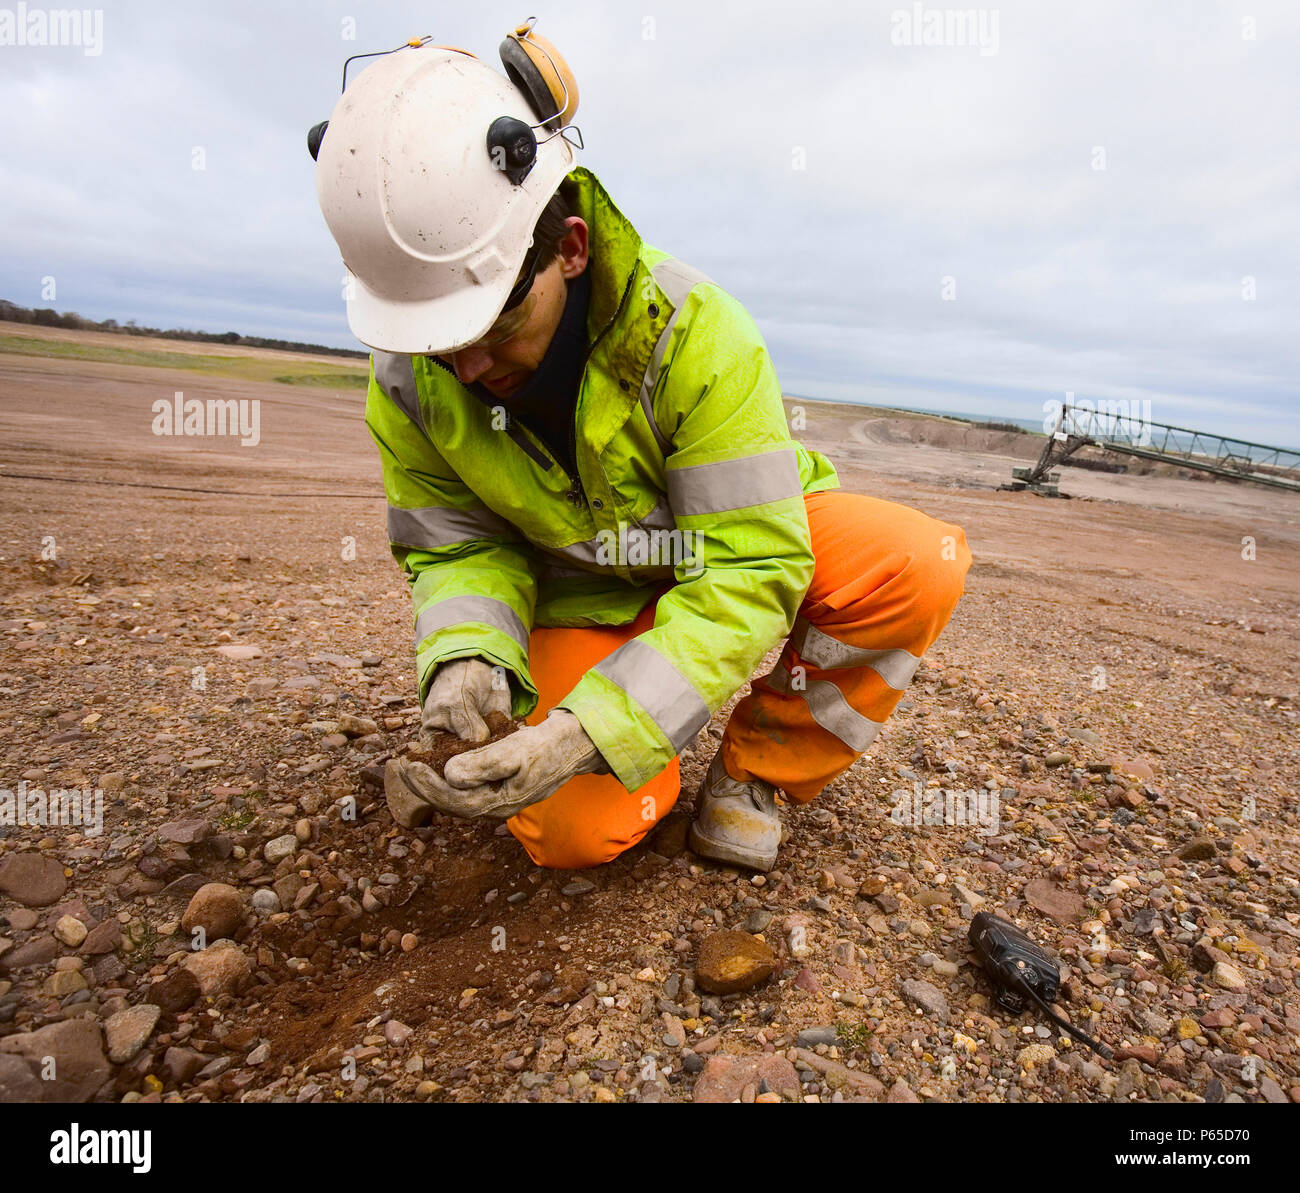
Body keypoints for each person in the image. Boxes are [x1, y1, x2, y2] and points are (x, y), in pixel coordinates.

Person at [310, 22, 971, 872]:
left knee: (918, 562)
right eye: (439, 342)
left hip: (730, 538)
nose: (466, 367)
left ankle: (758, 773)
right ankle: (636, 745)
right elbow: (459, 546)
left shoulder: (698, 335)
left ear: (571, 249)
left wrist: (591, 729)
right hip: (586, 588)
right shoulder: (407, 378)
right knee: (569, 835)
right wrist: (468, 655)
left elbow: (748, 563)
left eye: (492, 323)